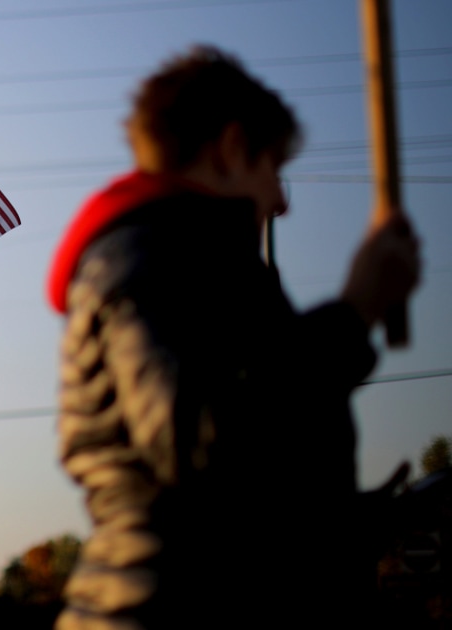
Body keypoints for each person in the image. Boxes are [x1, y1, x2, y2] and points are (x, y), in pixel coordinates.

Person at [45, 46, 420, 629]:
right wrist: (353, 312)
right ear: (231, 148)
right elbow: (199, 434)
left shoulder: (188, 263)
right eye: (273, 165)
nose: (282, 200)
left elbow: (244, 481)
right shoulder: (152, 261)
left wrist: (340, 520)